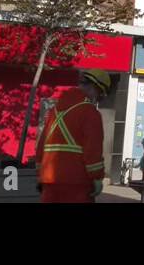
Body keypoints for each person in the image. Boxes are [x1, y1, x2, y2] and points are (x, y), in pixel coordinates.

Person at [35, 69, 111, 203]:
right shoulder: (90, 113)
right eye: (99, 94)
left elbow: (42, 145)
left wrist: (40, 174)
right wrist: (97, 177)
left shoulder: (55, 110)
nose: (97, 99)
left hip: (49, 182)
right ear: (94, 88)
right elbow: (92, 151)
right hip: (77, 184)